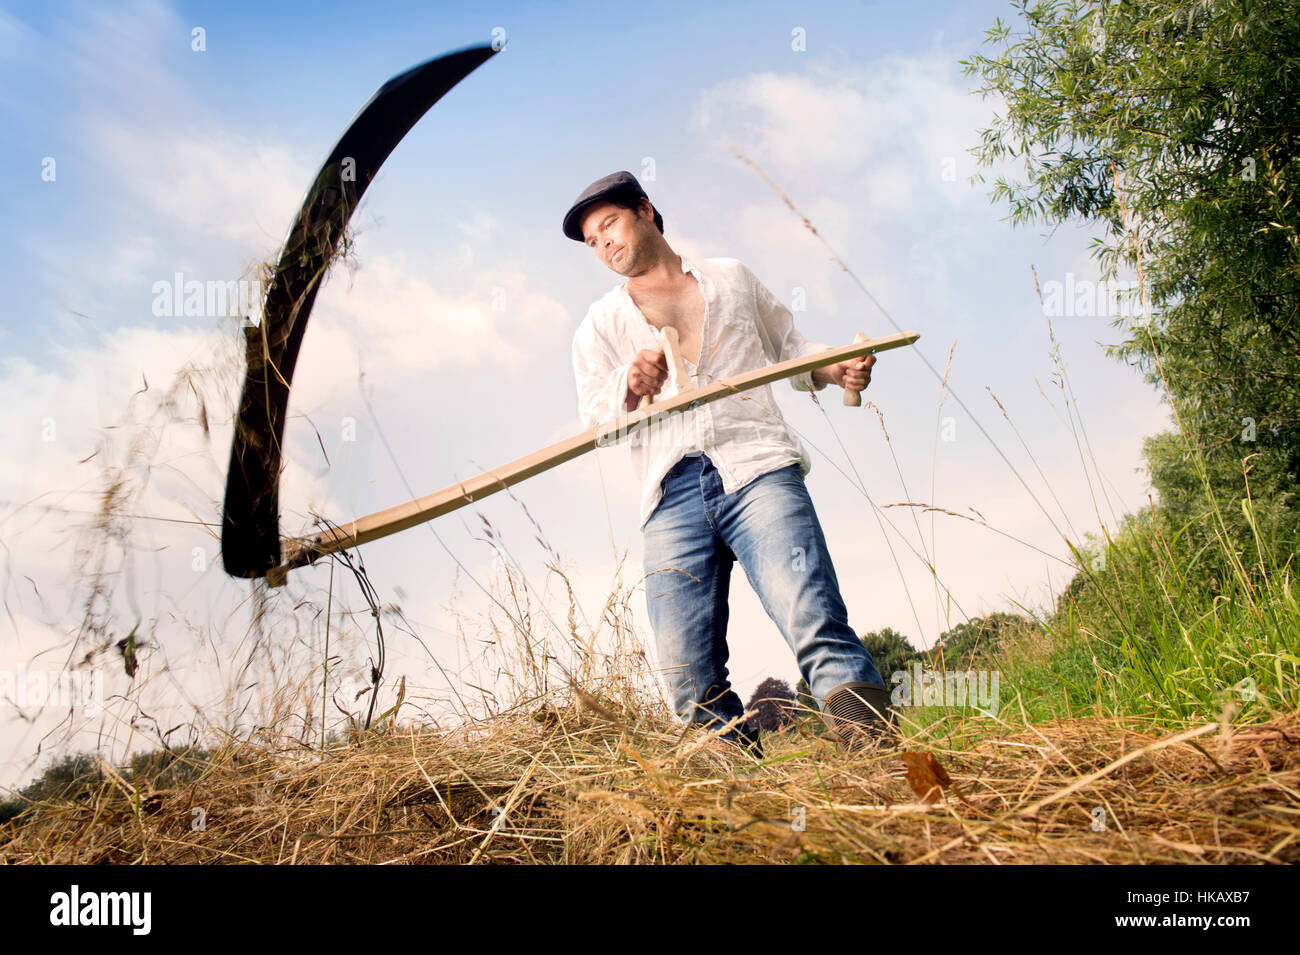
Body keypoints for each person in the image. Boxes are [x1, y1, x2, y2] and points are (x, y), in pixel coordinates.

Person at [566, 171, 893, 757]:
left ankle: (885, 770)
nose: (603, 244)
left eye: (608, 225)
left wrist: (836, 368)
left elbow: (793, 351)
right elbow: (597, 420)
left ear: (644, 210)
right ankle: (742, 809)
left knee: (813, 616)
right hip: (670, 495)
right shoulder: (599, 326)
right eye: (591, 241)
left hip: (757, 466)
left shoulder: (731, 278)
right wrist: (630, 384)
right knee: (685, 676)